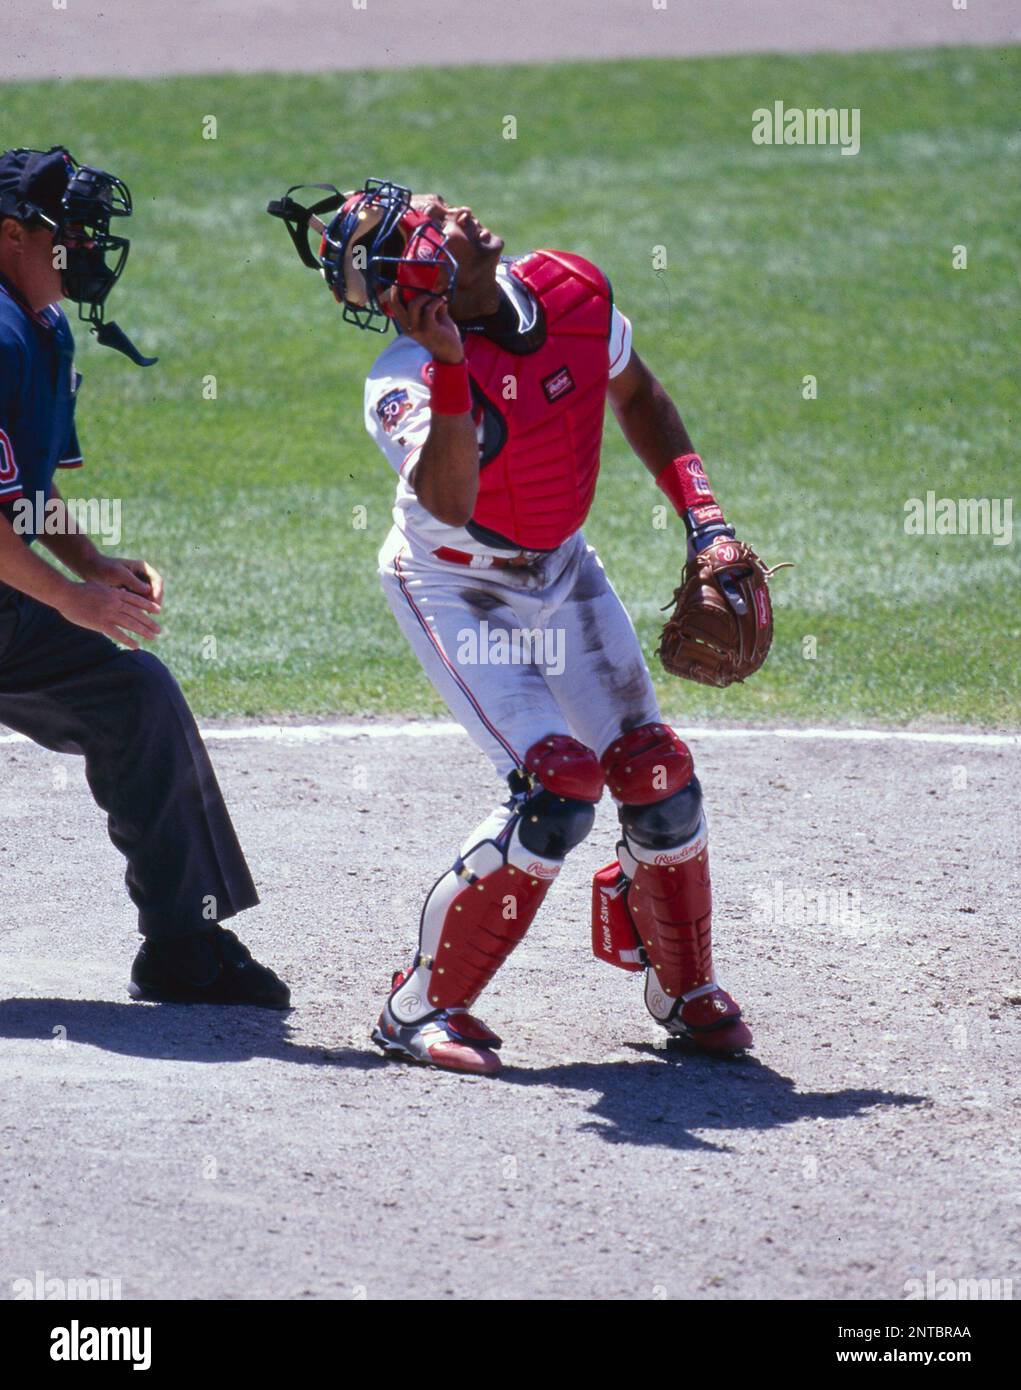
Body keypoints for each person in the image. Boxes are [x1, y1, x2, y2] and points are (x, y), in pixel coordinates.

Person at [268, 177, 760, 1071]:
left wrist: (707, 520)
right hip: (458, 588)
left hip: (562, 569)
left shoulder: (571, 288)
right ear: (412, 281)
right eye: (431, 226)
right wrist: (453, 362)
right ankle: (417, 1010)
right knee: (556, 787)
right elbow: (452, 502)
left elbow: (640, 397)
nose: (456, 214)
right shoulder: (403, 380)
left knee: (657, 772)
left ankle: (681, 989)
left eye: (438, 204)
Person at [0, 145, 288, 1008]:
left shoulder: (41, 328)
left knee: (132, 695)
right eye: (69, 234)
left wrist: (91, 566)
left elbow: (23, 490)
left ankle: (182, 943)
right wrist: (67, 597)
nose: (87, 250)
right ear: (11, 235)